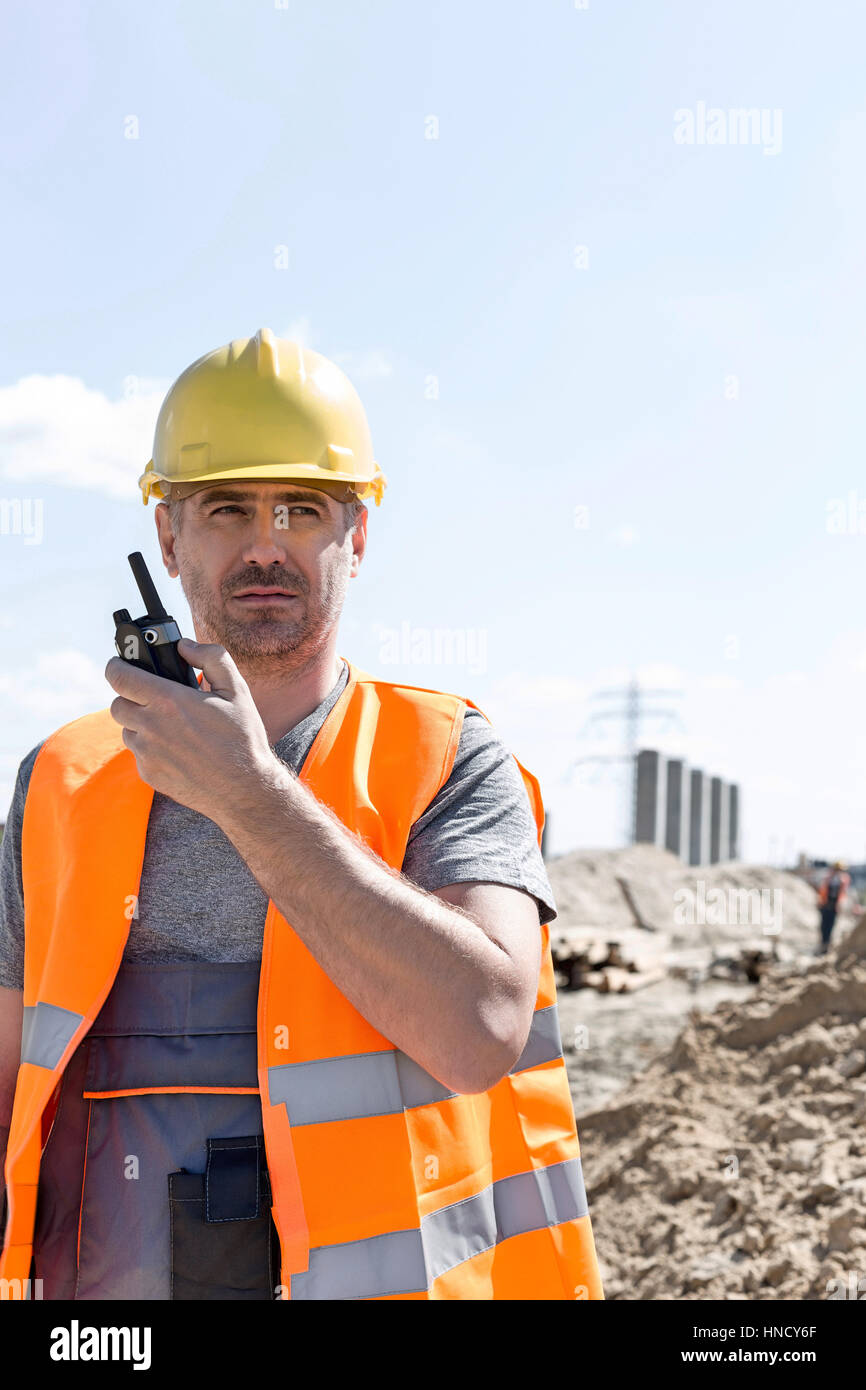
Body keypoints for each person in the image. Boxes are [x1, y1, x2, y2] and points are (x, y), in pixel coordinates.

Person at [0, 328, 604, 1301]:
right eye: (225, 509)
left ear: (355, 535)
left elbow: (478, 1032)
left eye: (301, 508)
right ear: (167, 537)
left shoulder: (444, 756)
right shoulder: (62, 779)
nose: (264, 543)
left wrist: (251, 796)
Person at [817, 860, 850, 953]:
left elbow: (843, 894)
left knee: (830, 927)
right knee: (823, 926)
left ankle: (826, 947)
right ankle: (823, 945)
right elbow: (822, 891)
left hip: (834, 907)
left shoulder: (843, 880)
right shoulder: (828, 878)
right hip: (825, 906)